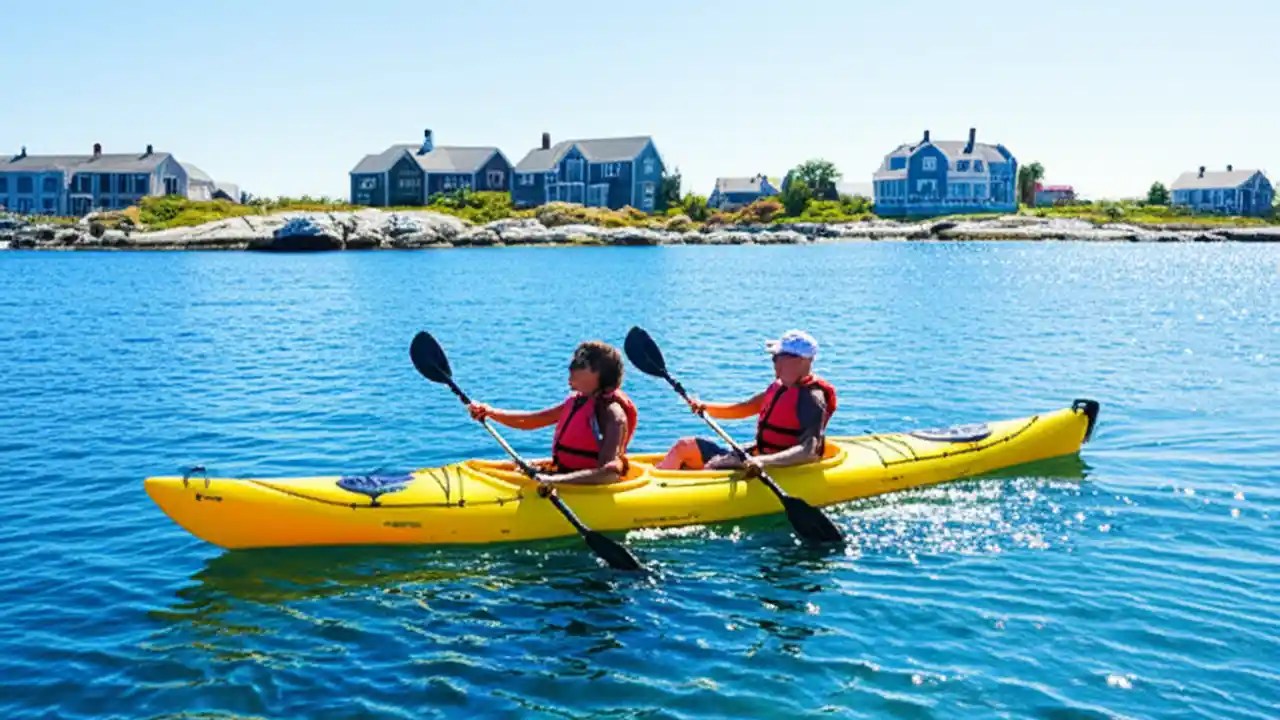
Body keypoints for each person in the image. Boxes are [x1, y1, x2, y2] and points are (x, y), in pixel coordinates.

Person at [656, 330, 837, 474]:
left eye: (776, 358)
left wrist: (761, 461)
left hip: (780, 468)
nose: (773, 363)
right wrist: (705, 407)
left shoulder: (812, 398)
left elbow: (808, 451)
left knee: (714, 466)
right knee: (685, 446)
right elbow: (744, 408)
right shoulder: (780, 387)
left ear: (798, 360)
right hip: (757, 456)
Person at [468, 341, 638, 490]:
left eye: (581, 363)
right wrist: (490, 412)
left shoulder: (613, 415)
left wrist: (552, 481)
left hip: (585, 489)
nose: (572, 368)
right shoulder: (579, 402)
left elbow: (609, 474)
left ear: (598, 374)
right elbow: (531, 421)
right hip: (563, 475)